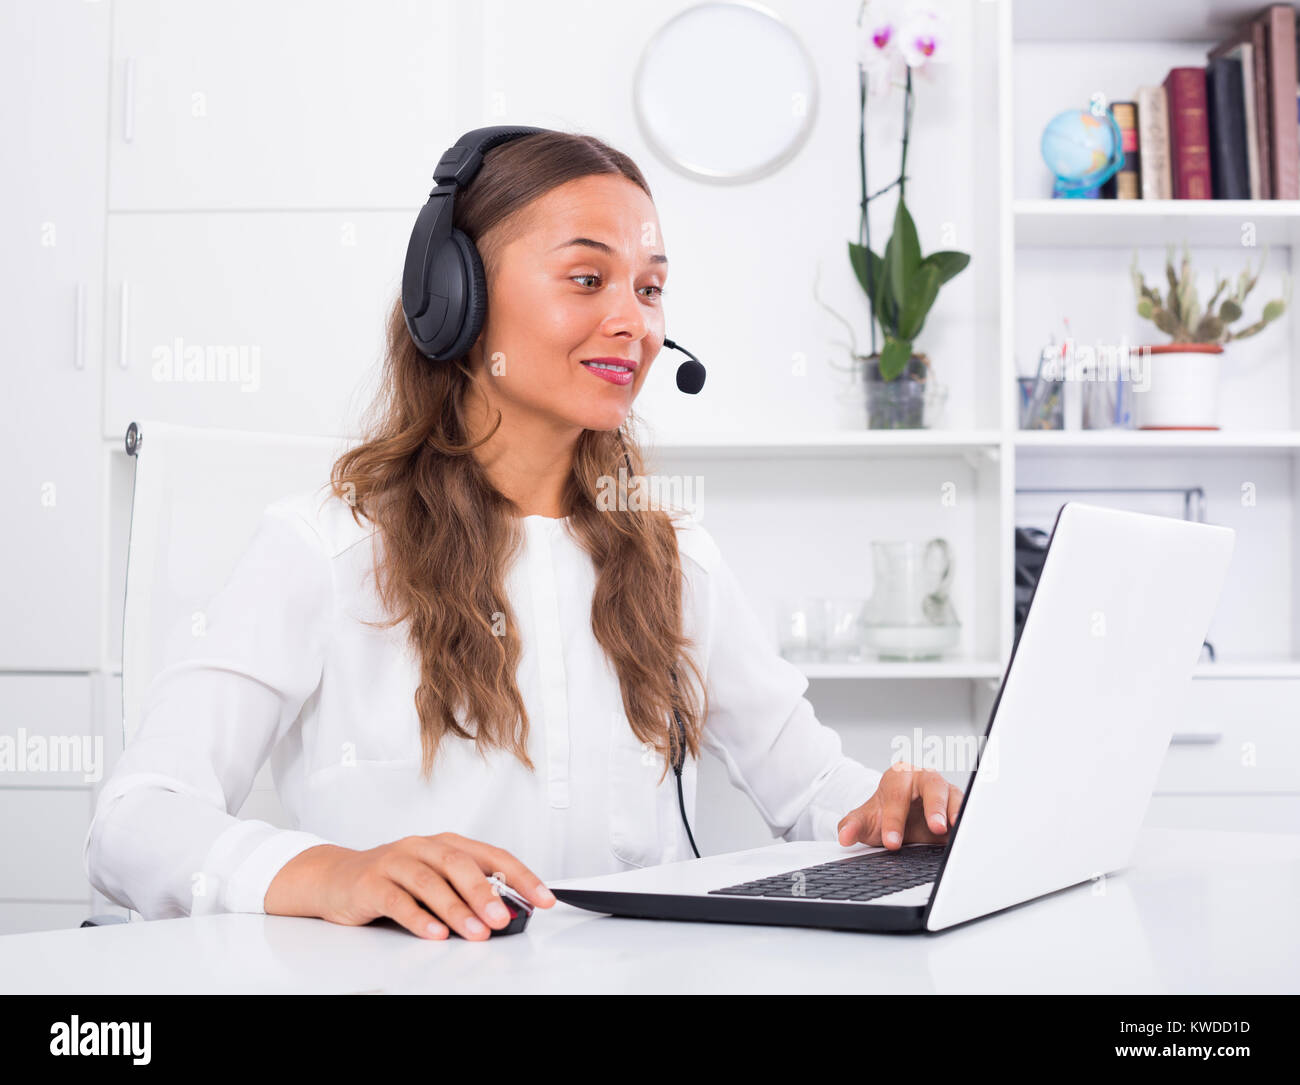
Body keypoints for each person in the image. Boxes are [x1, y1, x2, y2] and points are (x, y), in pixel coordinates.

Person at [84, 130, 961, 942]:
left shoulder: (677, 559)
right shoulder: (326, 549)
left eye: (651, 289)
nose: (638, 324)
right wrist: (333, 873)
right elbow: (134, 821)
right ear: (454, 299)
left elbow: (811, 786)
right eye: (588, 279)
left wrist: (891, 810)